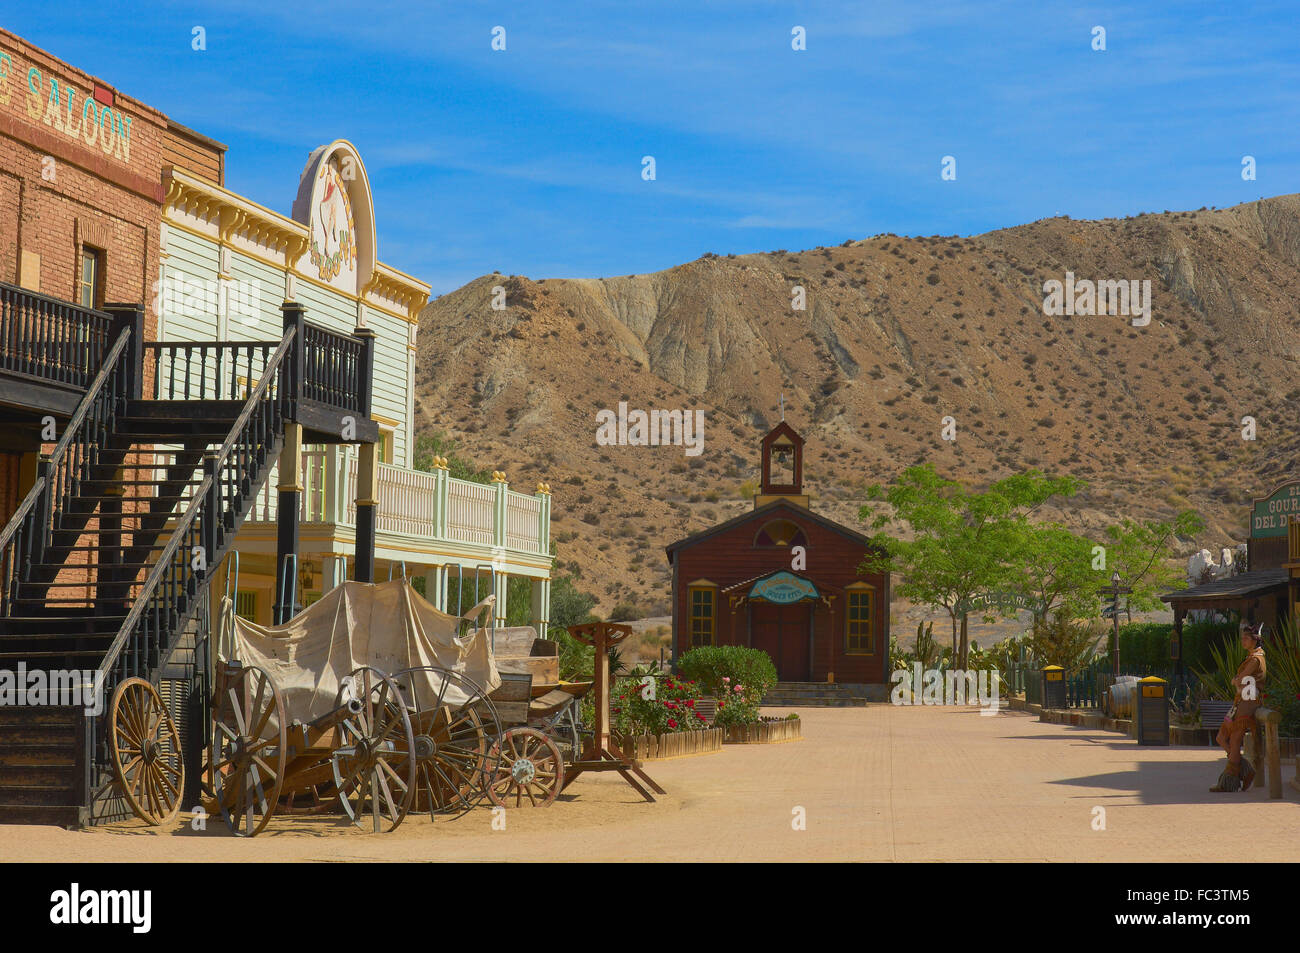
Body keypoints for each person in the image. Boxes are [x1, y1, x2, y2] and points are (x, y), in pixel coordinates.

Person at [1210, 622, 1267, 792]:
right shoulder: (1251, 657)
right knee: (1221, 737)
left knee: (1235, 740)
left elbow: (1240, 679)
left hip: (1249, 702)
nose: (1242, 641)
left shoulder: (1257, 659)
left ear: (1255, 640)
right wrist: (1236, 680)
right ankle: (1245, 768)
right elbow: (1237, 679)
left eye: (1246, 638)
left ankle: (1230, 779)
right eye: (1242, 638)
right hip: (1239, 702)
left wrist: (1236, 680)